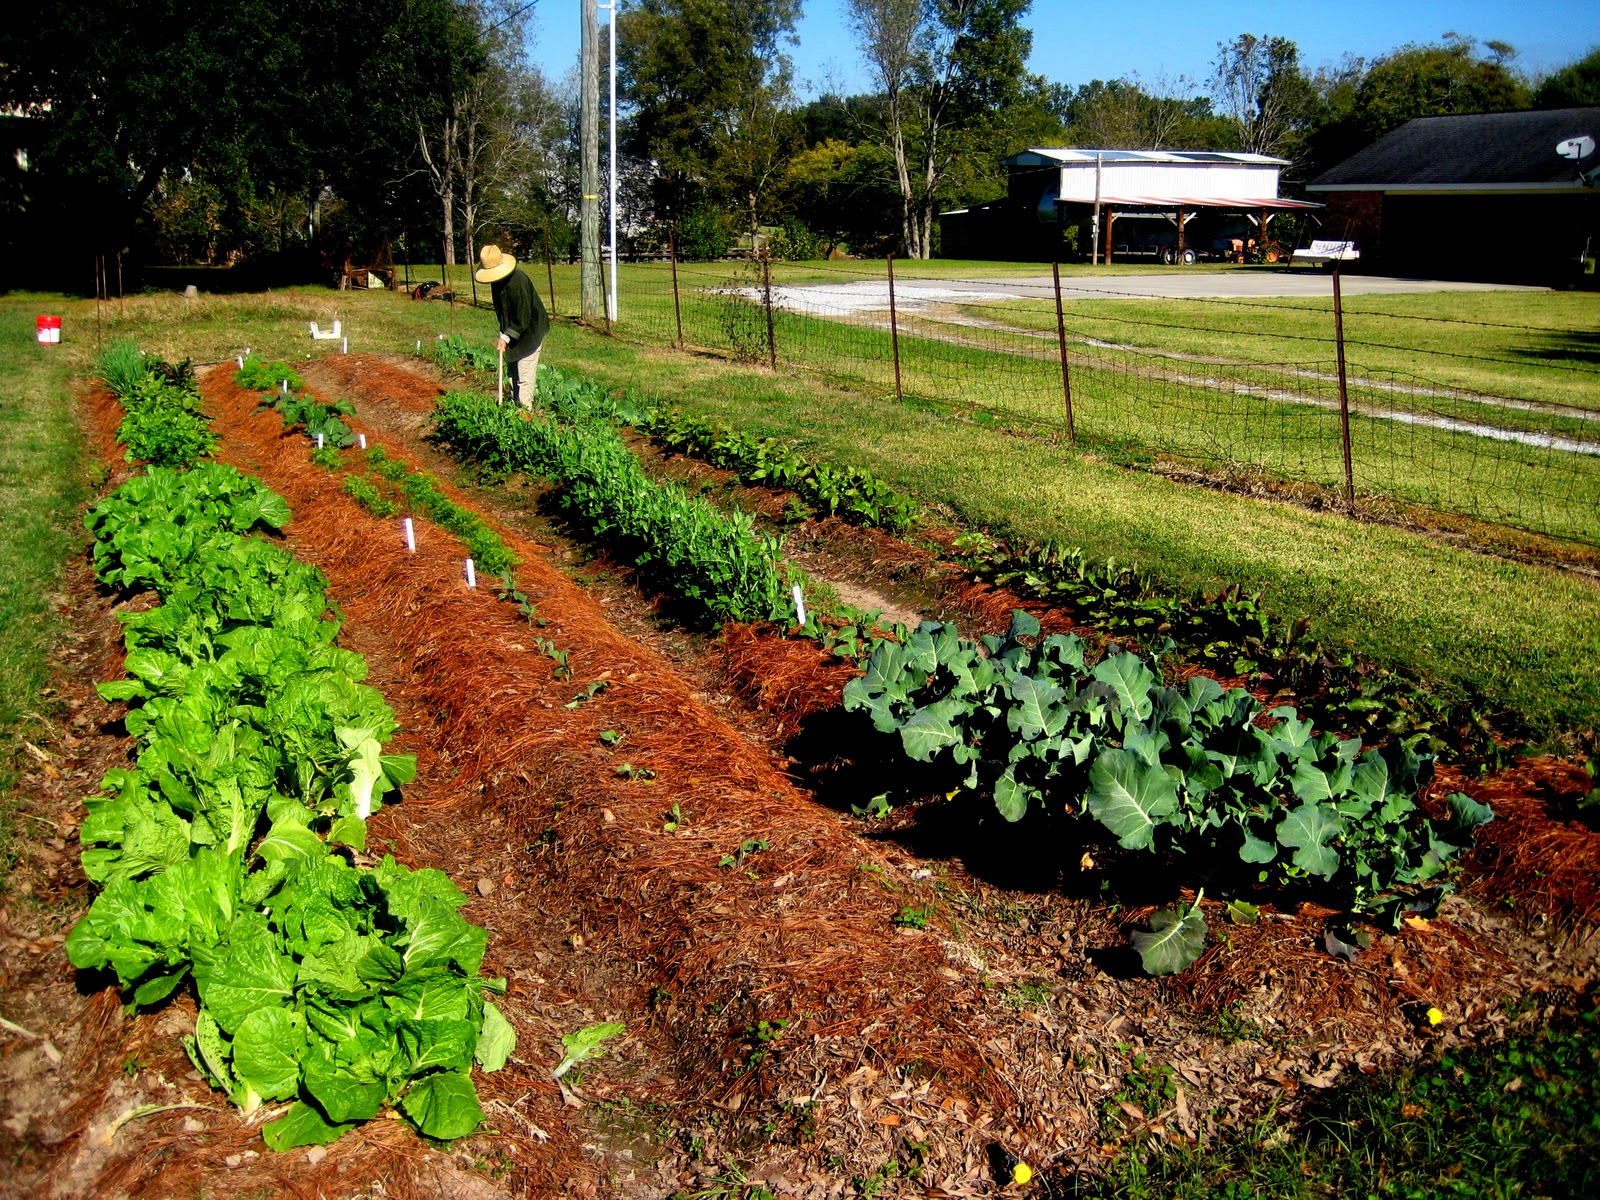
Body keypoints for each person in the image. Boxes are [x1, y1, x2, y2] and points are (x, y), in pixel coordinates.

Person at [475, 244, 549, 409]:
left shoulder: (518, 283)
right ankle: (515, 407)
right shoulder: (497, 282)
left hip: (530, 331)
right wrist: (503, 332)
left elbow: (522, 317)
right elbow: (501, 310)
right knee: (512, 375)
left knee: (524, 375)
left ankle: (525, 416)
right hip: (513, 331)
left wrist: (506, 336)